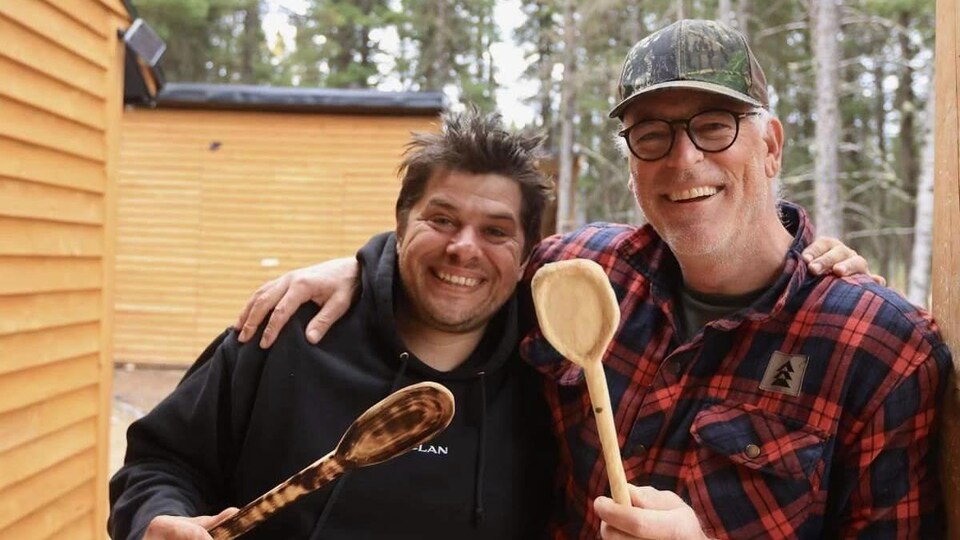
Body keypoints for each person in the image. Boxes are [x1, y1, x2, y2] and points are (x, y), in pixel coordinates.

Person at [233, 20, 950, 540]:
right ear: (632, 162)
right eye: (651, 135)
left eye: (713, 126)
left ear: (771, 144)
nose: (683, 160)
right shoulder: (576, 274)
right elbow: (462, 266)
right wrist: (366, 265)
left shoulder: (879, 349)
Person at [108, 109, 559, 540]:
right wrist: (157, 516)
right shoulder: (286, 335)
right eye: (441, 220)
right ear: (400, 228)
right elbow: (159, 465)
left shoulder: (550, 376)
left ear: (526, 256)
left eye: (496, 231)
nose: (463, 248)